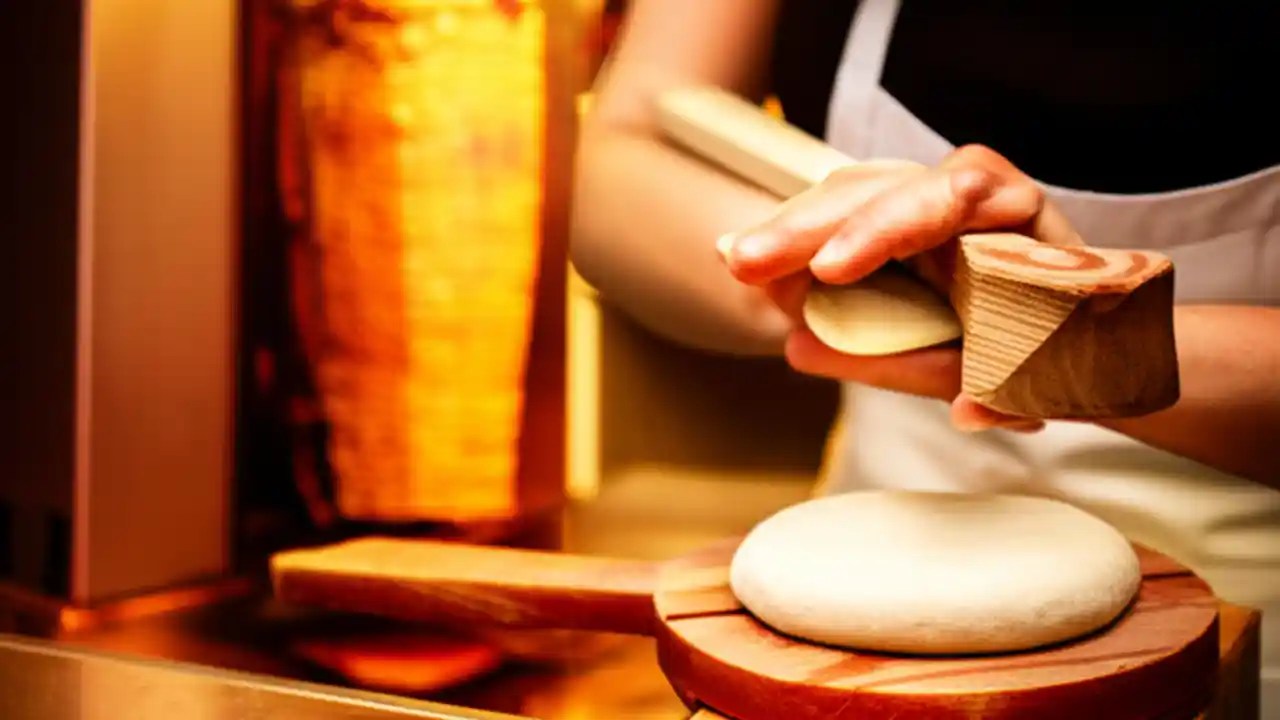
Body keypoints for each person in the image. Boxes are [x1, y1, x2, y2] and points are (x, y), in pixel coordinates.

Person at [569, 0, 1280, 713]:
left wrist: (1079, 344)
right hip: (858, 604)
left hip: (1253, 627)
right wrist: (826, 263)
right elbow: (617, 164)